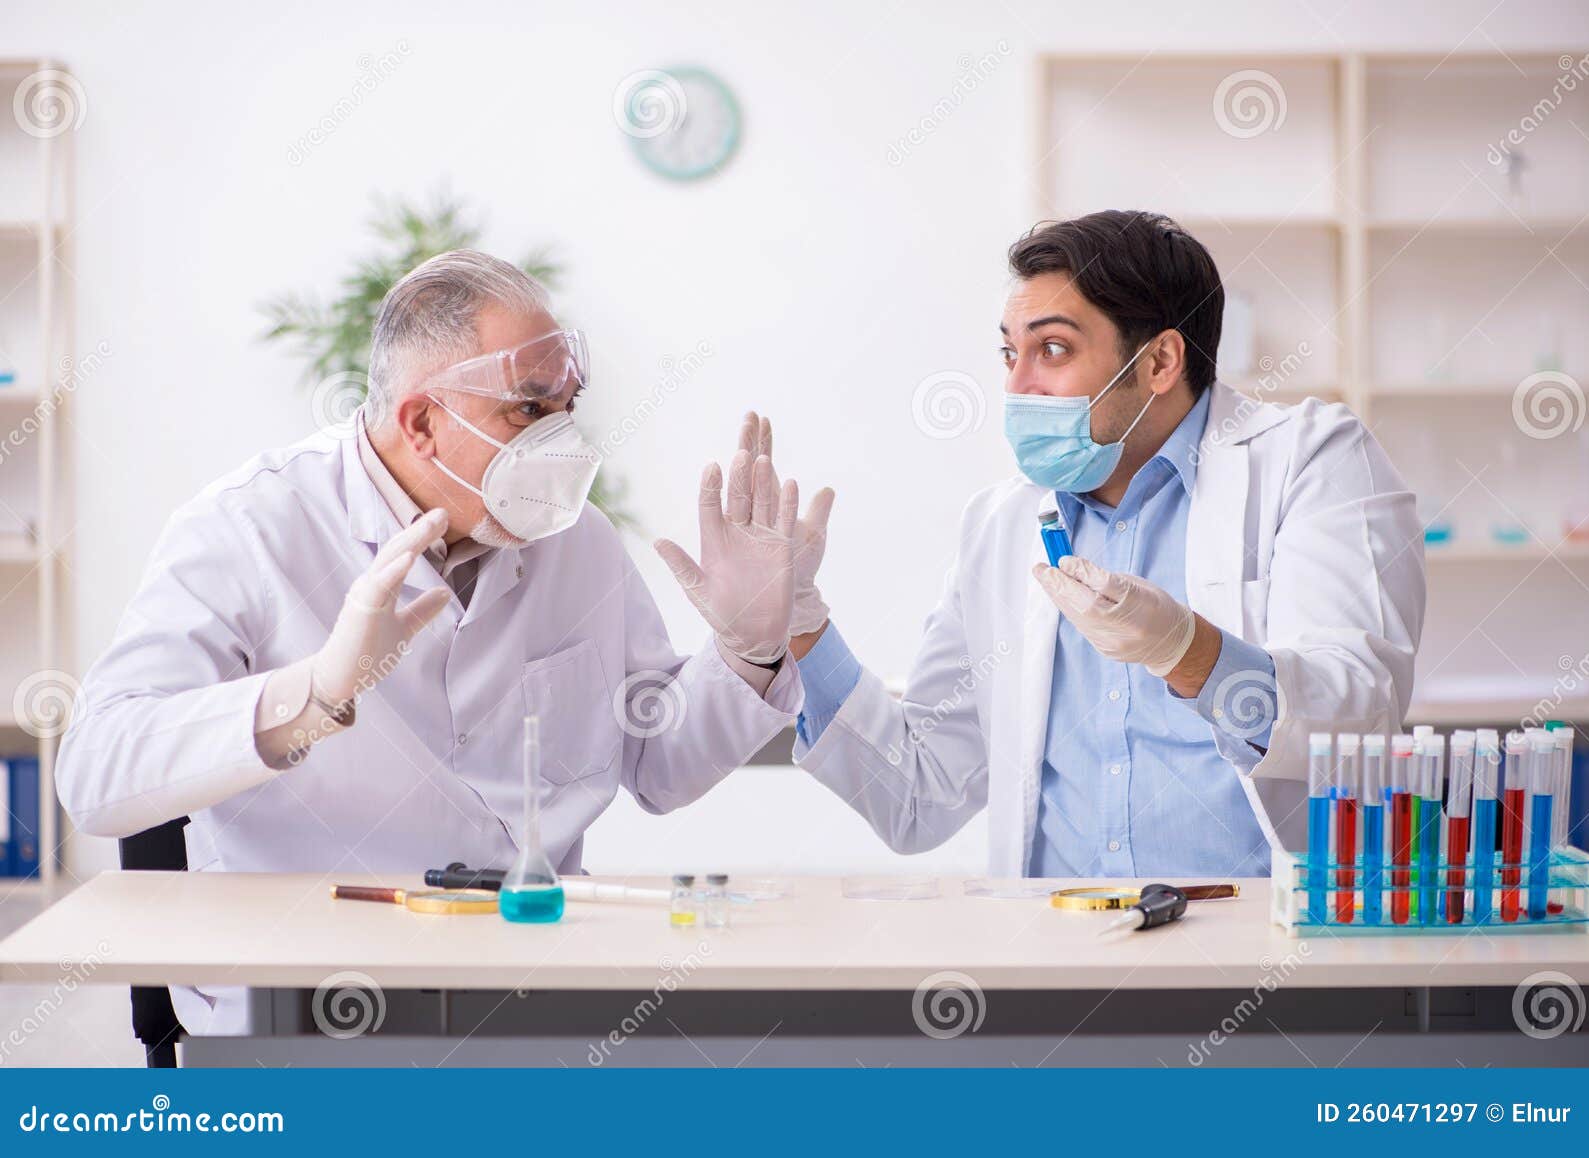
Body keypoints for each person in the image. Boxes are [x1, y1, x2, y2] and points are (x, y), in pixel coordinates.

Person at [56, 250, 803, 1034]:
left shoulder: (578, 544)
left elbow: (661, 767)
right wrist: (312, 696)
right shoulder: (249, 530)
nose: (565, 442)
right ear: (421, 422)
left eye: (568, 408)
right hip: (304, 1008)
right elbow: (96, 773)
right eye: (528, 410)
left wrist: (748, 650)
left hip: (530, 991)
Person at [779, 210, 1425, 878]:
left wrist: (1188, 652)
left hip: (1263, 949)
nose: (1017, 385)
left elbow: (1360, 721)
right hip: (1061, 958)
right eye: (1010, 353)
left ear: (1160, 362)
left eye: (1052, 350)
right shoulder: (1003, 524)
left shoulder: (1310, 461)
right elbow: (920, 793)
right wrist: (802, 629)